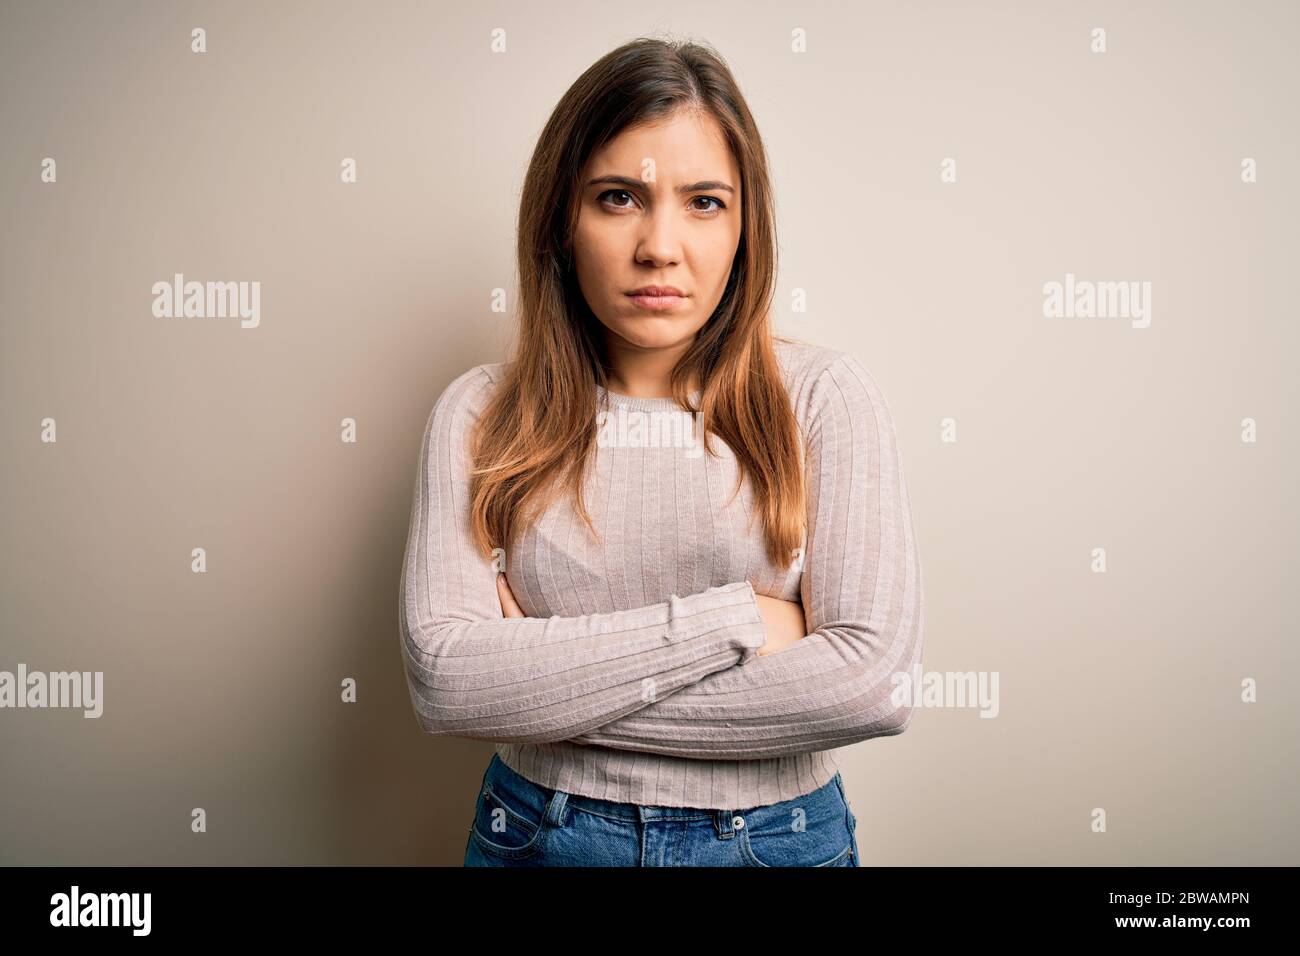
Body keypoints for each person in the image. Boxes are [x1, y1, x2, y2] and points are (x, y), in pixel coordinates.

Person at [398, 36, 924, 867]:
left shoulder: (825, 399)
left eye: (705, 201)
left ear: (746, 224)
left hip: (776, 843)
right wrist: (741, 619)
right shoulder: (479, 414)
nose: (659, 247)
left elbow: (870, 684)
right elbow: (450, 683)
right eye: (618, 197)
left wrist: (548, 679)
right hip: (540, 837)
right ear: (560, 221)